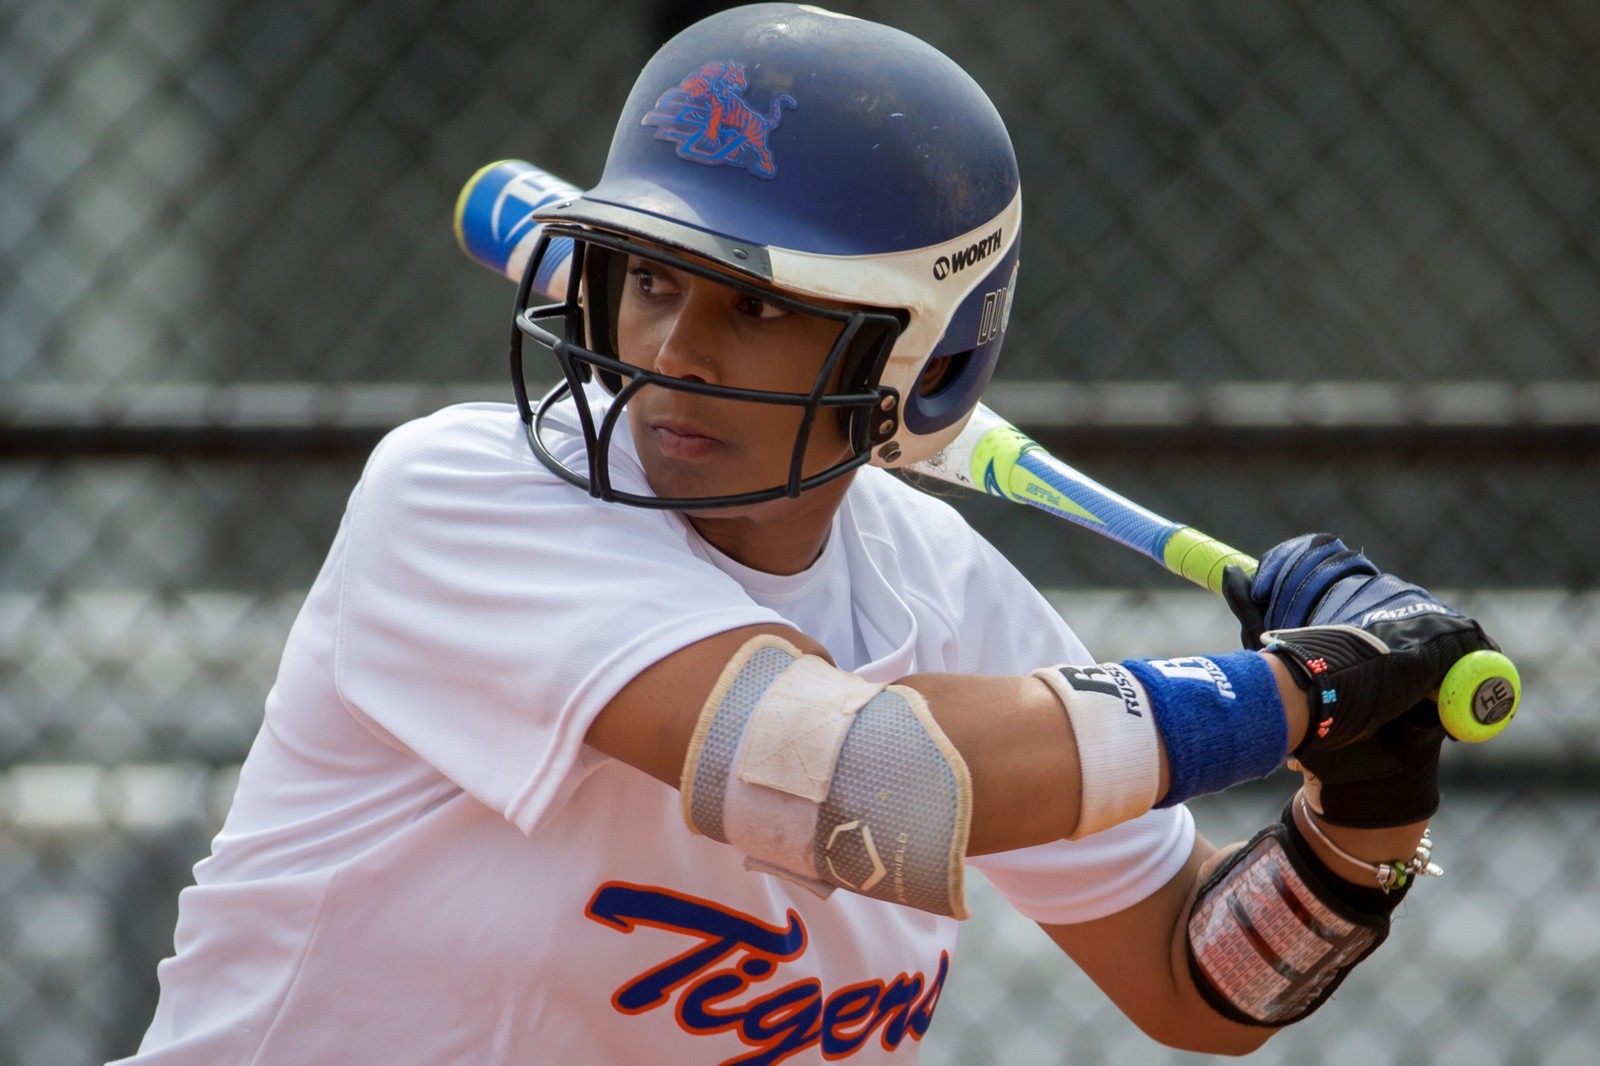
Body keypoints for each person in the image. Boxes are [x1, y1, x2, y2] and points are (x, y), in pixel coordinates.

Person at [118, 5, 1497, 1063]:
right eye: (651, 277)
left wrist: (1362, 815)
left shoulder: (941, 586)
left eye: (760, 305)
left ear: (924, 363)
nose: (672, 349)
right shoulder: (466, 492)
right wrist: (1296, 690)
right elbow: (845, 778)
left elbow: (1199, 981)